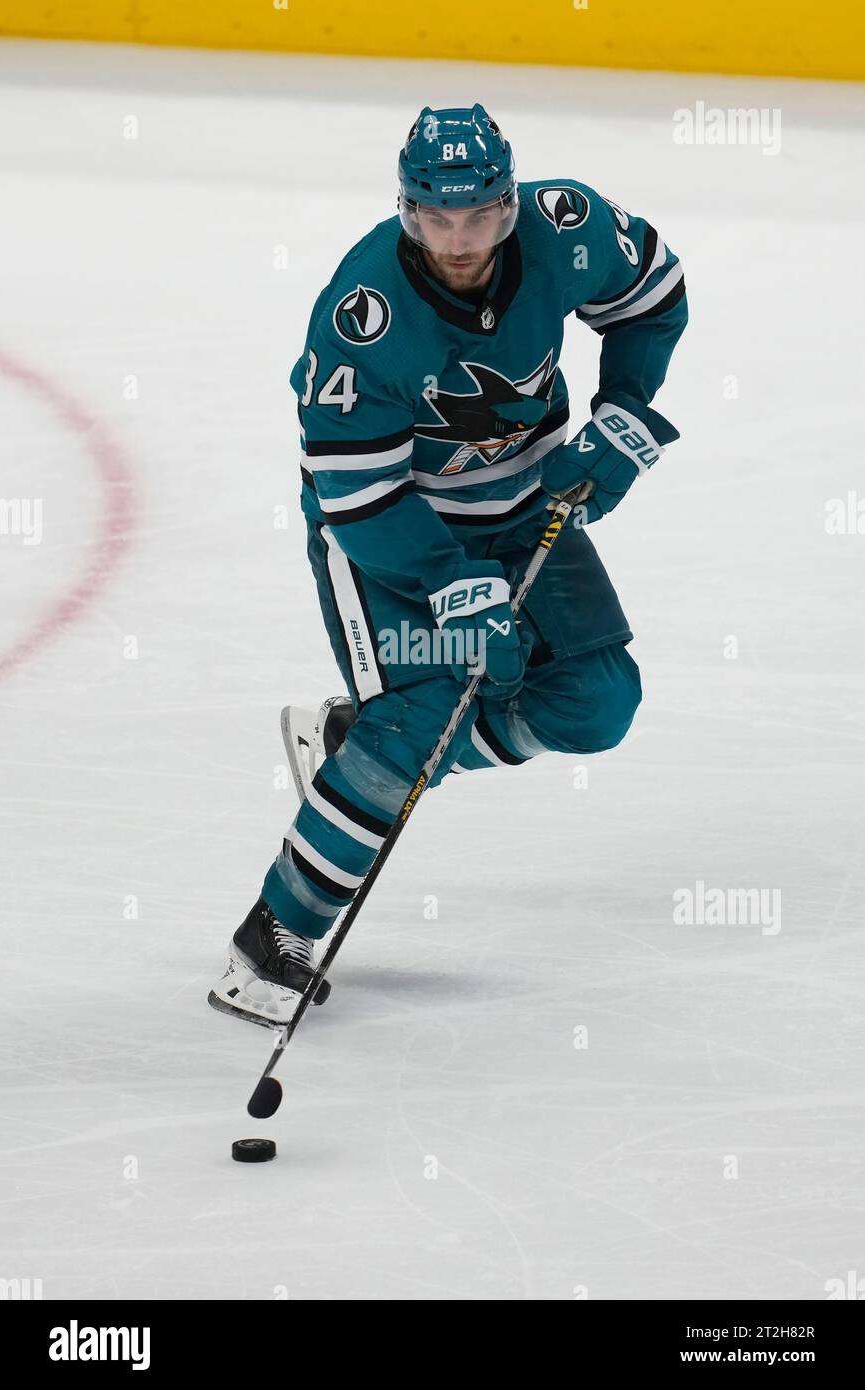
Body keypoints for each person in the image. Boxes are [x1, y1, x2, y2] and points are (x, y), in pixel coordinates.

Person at [209, 103, 687, 1028]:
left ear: (510, 204)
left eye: (478, 215)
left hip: (524, 506)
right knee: (423, 713)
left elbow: (654, 299)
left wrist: (622, 410)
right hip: (392, 528)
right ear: (407, 210)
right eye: (437, 217)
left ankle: (360, 746)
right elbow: (357, 497)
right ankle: (273, 932)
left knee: (598, 706)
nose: (458, 239)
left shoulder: (570, 229)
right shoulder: (363, 317)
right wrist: (448, 585)